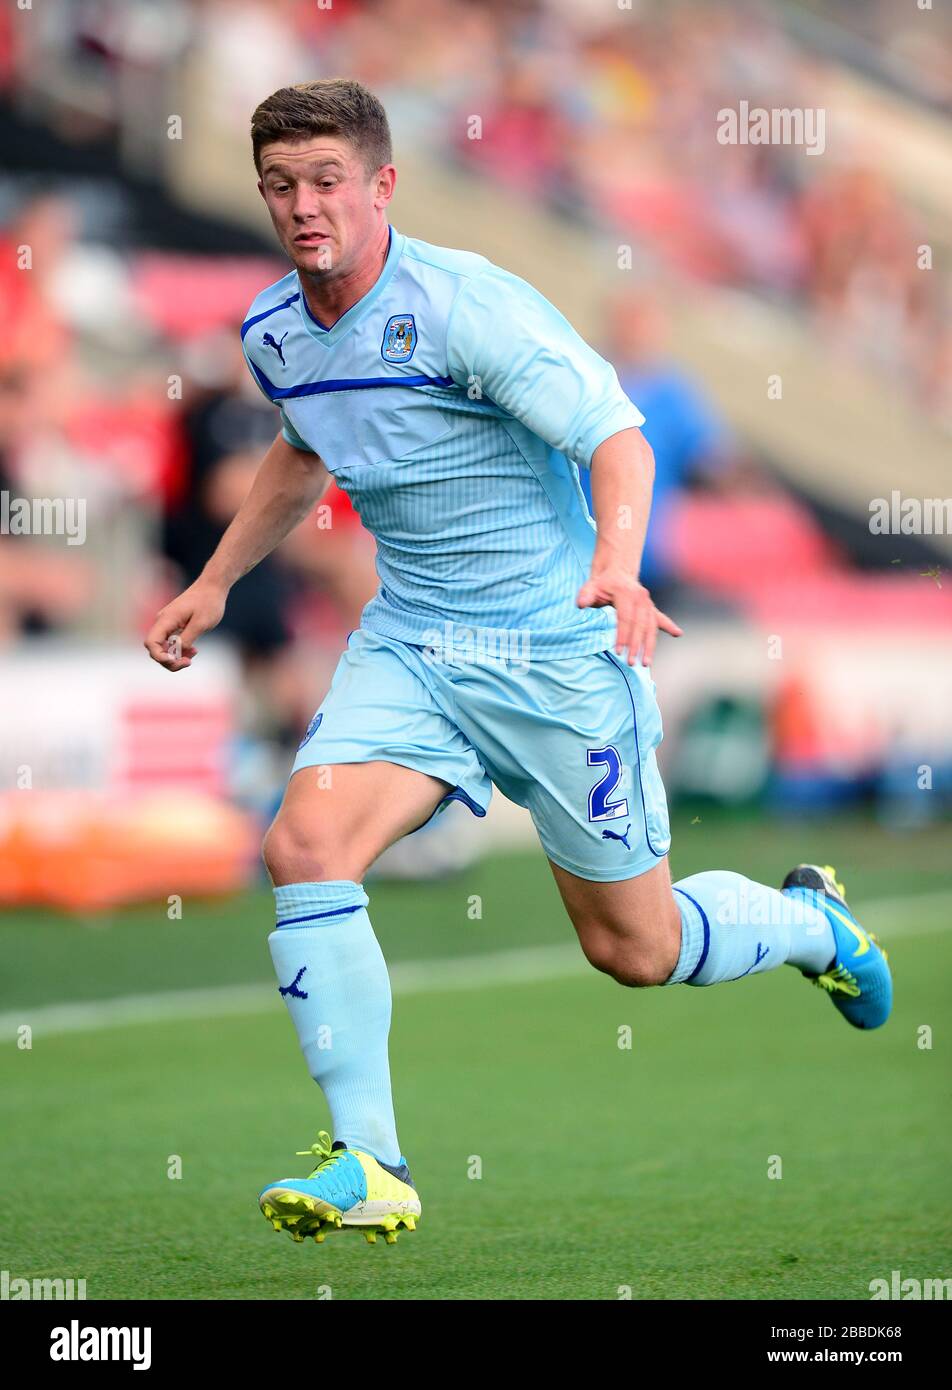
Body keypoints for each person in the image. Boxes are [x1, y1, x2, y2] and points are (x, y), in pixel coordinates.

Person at [144, 79, 892, 1248]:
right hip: (414, 647)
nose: (304, 206)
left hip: (551, 650)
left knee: (633, 952)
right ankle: (371, 1160)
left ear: (383, 185)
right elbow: (302, 451)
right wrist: (216, 579)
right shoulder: (272, 331)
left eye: (327, 180)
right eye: (282, 184)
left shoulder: (466, 307)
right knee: (303, 842)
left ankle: (809, 926)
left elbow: (616, 434)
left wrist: (620, 565)